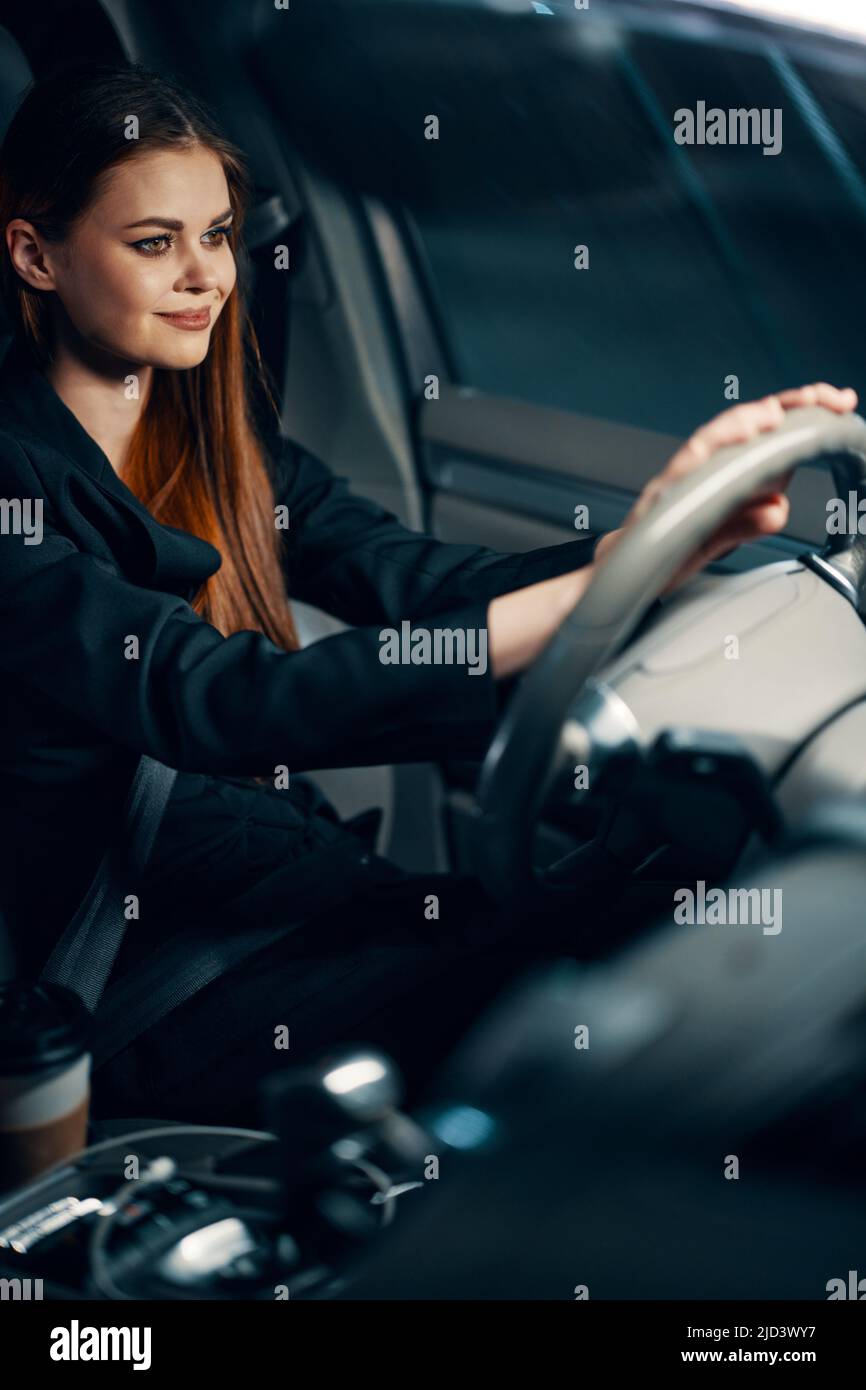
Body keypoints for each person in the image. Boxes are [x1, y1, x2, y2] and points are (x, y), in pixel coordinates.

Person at [0, 63, 856, 1126]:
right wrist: (585, 594)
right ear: (36, 255)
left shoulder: (218, 444)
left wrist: (653, 534)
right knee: (606, 1031)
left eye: (217, 234)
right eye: (152, 243)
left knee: (675, 914)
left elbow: (409, 578)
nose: (204, 277)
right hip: (159, 990)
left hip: (305, 898)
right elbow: (223, 700)